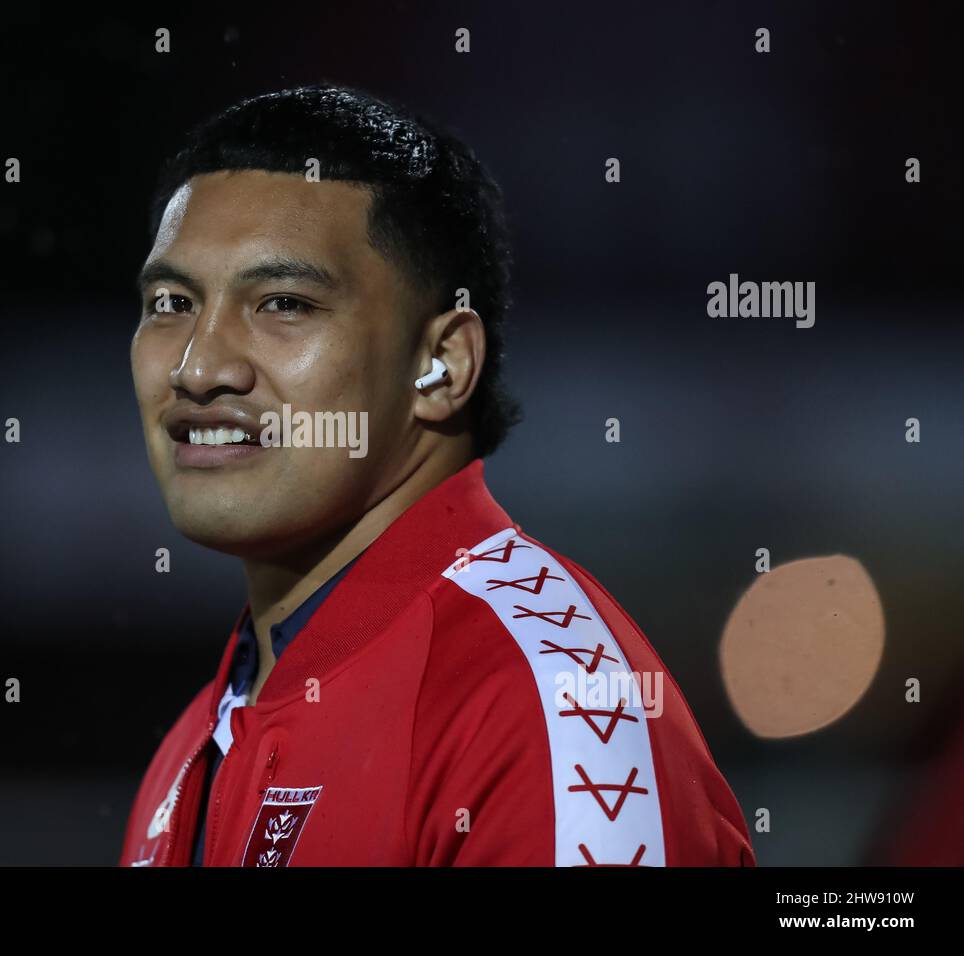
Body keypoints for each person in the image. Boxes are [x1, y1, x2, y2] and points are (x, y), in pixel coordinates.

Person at [122, 84, 754, 866]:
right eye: (172, 302)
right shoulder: (194, 746)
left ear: (442, 364)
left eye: (283, 302)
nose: (198, 366)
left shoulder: (548, 708)